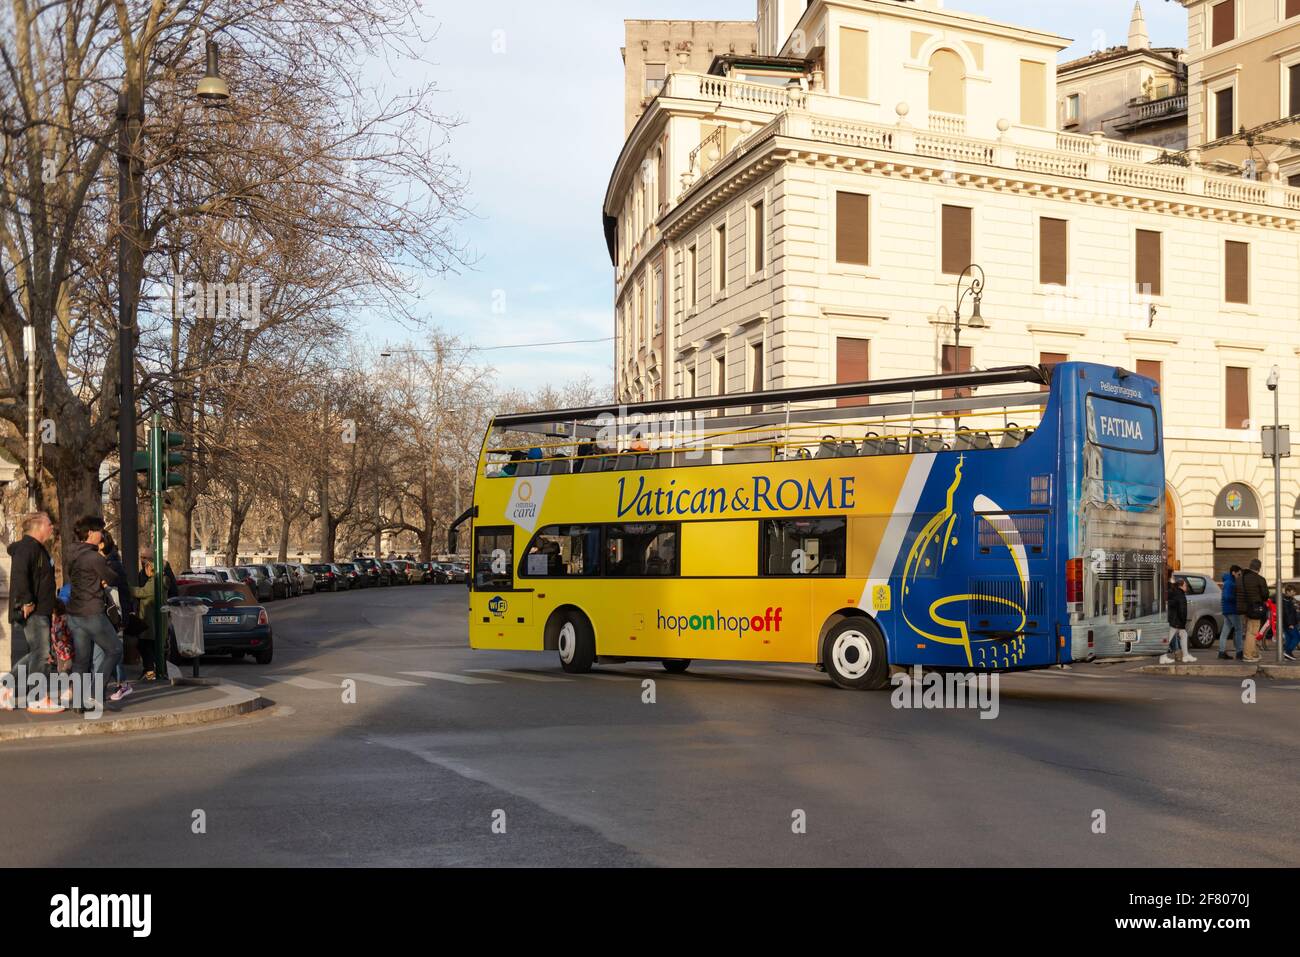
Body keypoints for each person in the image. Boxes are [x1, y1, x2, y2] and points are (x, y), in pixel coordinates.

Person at [65, 515, 129, 709]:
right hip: (92, 611)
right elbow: (112, 578)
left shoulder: (73, 555)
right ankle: (96, 693)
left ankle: (78, 703)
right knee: (115, 649)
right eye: (100, 530)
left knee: (82, 660)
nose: (102, 534)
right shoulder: (94, 557)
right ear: (91, 533)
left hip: (75, 614)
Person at [0, 511, 61, 712]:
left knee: (38, 653)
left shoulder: (38, 548)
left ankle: (5, 687)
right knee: (42, 654)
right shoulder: (28, 547)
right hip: (33, 611)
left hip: (41, 609)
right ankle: (37, 698)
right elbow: (19, 573)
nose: (52, 527)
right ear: (38, 527)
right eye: (48, 524)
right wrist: (26, 601)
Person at [1238, 558, 1270, 663]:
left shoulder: (1241, 577)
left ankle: (1254, 653)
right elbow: (1265, 595)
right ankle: (1248, 655)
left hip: (1244, 608)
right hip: (1255, 608)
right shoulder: (1260, 579)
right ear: (1259, 568)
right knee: (1252, 632)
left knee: (1249, 630)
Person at [1161, 574, 1196, 664]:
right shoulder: (1180, 595)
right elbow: (1182, 610)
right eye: (1185, 585)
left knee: (1184, 635)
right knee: (1168, 638)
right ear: (1181, 586)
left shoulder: (1174, 592)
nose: (1186, 587)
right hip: (1176, 621)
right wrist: (1183, 623)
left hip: (1173, 620)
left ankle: (1186, 655)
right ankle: (1163, 657)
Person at [1217, 564, 1243, 660]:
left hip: (1227, 610)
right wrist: (1237, 598)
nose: (1239, 576)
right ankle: (1239, 652)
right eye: (1238, 574)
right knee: (1239, 630)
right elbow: (1228, 597)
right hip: (1232, 610)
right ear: (1233, 573)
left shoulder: (1228, 581)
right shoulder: (1230, 583)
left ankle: (1221, 652)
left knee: (1225, 631)